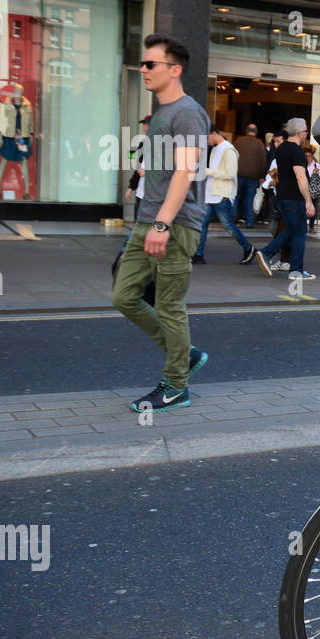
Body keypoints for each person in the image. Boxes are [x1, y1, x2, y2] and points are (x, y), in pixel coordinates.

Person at [111, 33, 208, 413]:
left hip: (174, 224)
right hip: (148, 220)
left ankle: (175, 386)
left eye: (151, 64)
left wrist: (163, 225)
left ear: (175, 69)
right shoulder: (162, 115)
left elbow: (185, 171)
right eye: (143, 63)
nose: (144, 69)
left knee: (169, 306)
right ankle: (186, 354)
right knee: (123, 296)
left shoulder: (186, 111)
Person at [255, 117, 316, 280]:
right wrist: (309, 200)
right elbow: (300, 177)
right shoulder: (296, 151)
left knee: (292, 230)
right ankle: (296, 270)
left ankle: (266, 253)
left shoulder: (281, 149)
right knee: (300, 232)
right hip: (294, 198)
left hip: (282, 196)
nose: (306, 134)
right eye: (305, 131)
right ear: (300, 133)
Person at [193, 125, 255, 265]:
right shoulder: (217, 149)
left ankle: (249, 248)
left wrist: (207, 171)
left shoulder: (228, 150)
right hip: (213, 194)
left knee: (227, 225)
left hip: (221, 194)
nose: (205, 141)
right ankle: (198, 254)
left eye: (206, 138)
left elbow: (230, 174)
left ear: (213, 133)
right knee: (204, 223)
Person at [232, 123, 265, 226]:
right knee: (249, 198)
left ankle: (233, 218)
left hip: (238, 173)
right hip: (253, 176)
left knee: (236, 196)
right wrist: (261, 175)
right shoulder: (259, 144)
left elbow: (232, 156)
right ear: (256, 132)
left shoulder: (238, 141)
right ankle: (249, 221)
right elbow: (263, 161)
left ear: (246, 131)